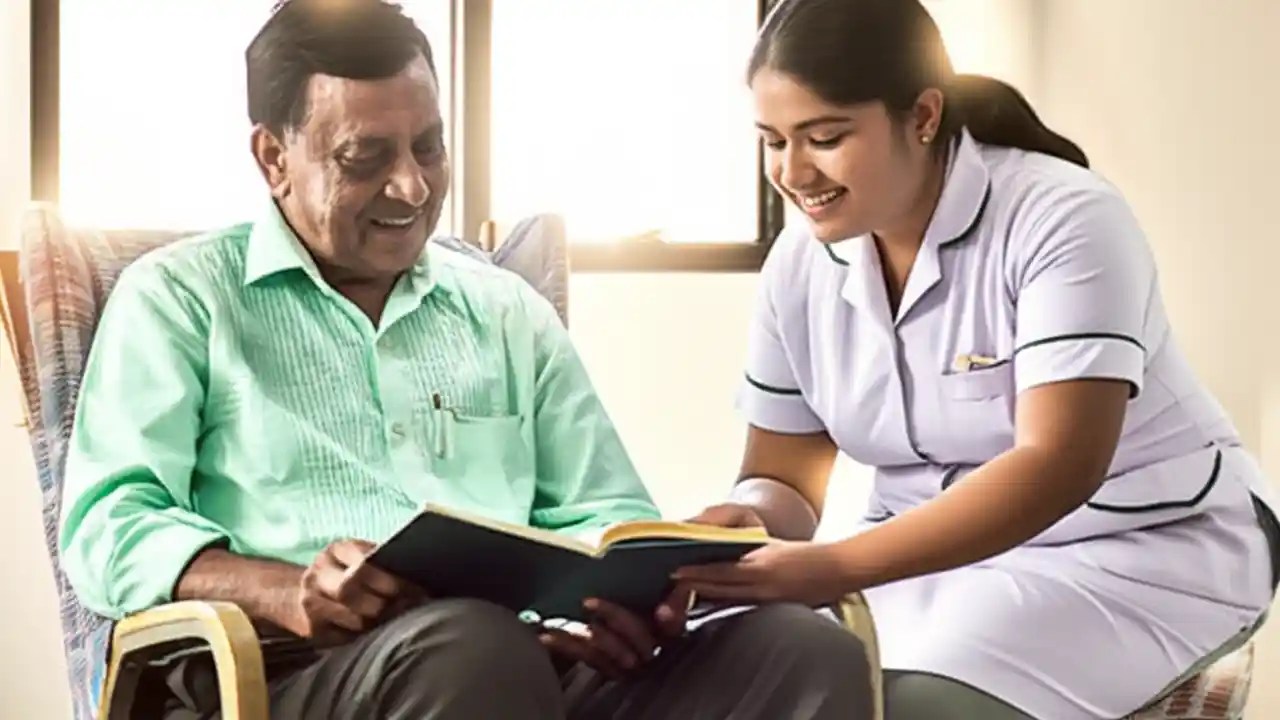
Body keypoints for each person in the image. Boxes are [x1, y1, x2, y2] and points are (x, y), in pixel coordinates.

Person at [57, 1, 872, 718]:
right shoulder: (179, 299)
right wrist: (285, 588)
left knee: (802, 651)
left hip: (524, 661)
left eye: (429, 147)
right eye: (364, 158)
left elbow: (601, 512)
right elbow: (108, 525)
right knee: (473, 647)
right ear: (274, 158)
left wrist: (626, 595)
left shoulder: (503, 310)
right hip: (289, 677)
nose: (411, 188)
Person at [668, 0, 1280, 718]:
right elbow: (785, 478)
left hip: (1133, 546)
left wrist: (831, 568)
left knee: (911, 703)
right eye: (772, 141)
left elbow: (1057, 464)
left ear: (923, 116)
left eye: (824, 137)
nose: (793, 172)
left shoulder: (1065, 218)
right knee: (727, 667)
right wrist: (749, 517)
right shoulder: (799, 263)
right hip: (925, 557)